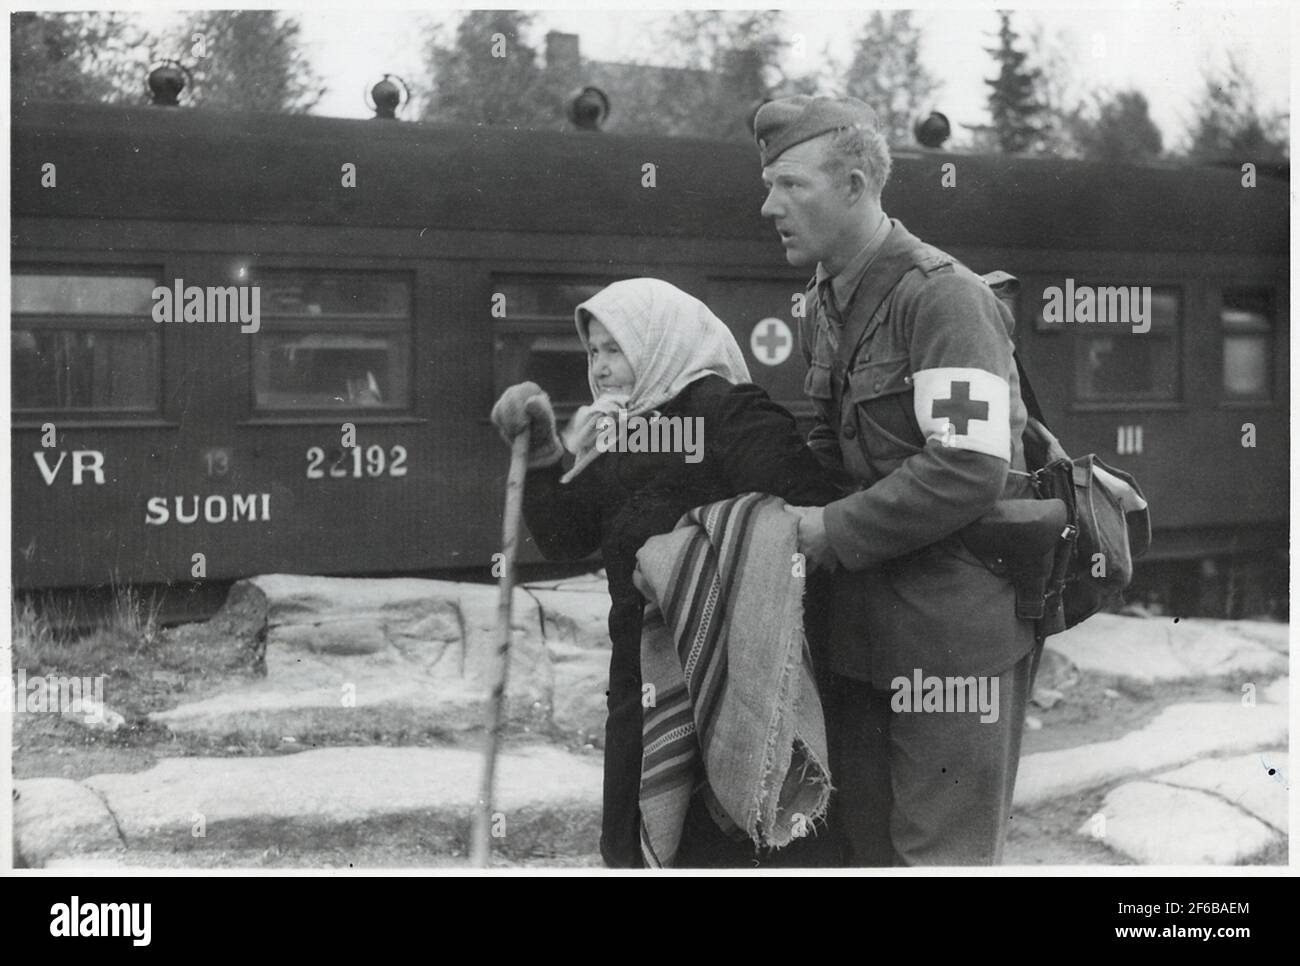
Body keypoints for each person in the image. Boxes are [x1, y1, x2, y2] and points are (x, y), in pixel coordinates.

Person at [754, 95, 1039, 865]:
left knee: (935, 860)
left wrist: (826, 532)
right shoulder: (827, 299)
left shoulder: (940, 296)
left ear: (854, 185)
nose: (768, 205)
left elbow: (969, 465)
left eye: (789, 184)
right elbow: (829, 445)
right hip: (865, 638)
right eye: (768, 185)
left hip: (952, 644)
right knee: (865, 855)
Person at [490, 277, 846, 868]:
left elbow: (806, 520)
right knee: (639, 843)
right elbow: (566, 538)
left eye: (615, 349)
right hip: (640, 680)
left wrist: (703, 561)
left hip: (732, 684)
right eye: (593, 352)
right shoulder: (623, 430)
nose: (600, 369)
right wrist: (548, 452)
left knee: (720, 848)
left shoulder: (730, 413)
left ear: (662, 343)